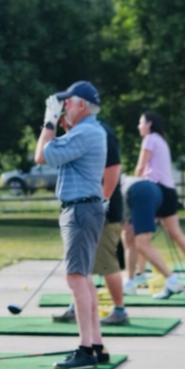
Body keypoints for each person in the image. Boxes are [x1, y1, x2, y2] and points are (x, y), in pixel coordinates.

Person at [35, 81, 108, 369]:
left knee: (76, 278)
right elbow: (59, 154)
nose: (64, 105)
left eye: (68, 102)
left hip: (80, 210)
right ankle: (97, 345)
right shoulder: (89, 130)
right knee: (85, 278)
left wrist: (49, 121)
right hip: (85, 208)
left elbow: (42, 155)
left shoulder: (87, 131)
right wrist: (61, 127)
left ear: (81, 105)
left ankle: (85, 349)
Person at [52, 118, 130, 327]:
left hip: (104, 211)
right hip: (87, 209)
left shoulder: (101, 132)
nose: (63, 124)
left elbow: (113, 170)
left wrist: (102, 201)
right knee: (81, 264)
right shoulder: (81, 134)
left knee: (106, 262)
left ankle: (120, 310)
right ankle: (76, 306)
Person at [128, 110, 185, 297]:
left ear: (149, 124)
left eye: (141, 122)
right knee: (174, 234)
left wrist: (132, 188)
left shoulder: (150, 139)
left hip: (155, 191)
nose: (139, 126)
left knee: (139, 233)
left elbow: (141, 166)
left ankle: (139, 275)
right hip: (169, 191)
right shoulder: (161, 140)